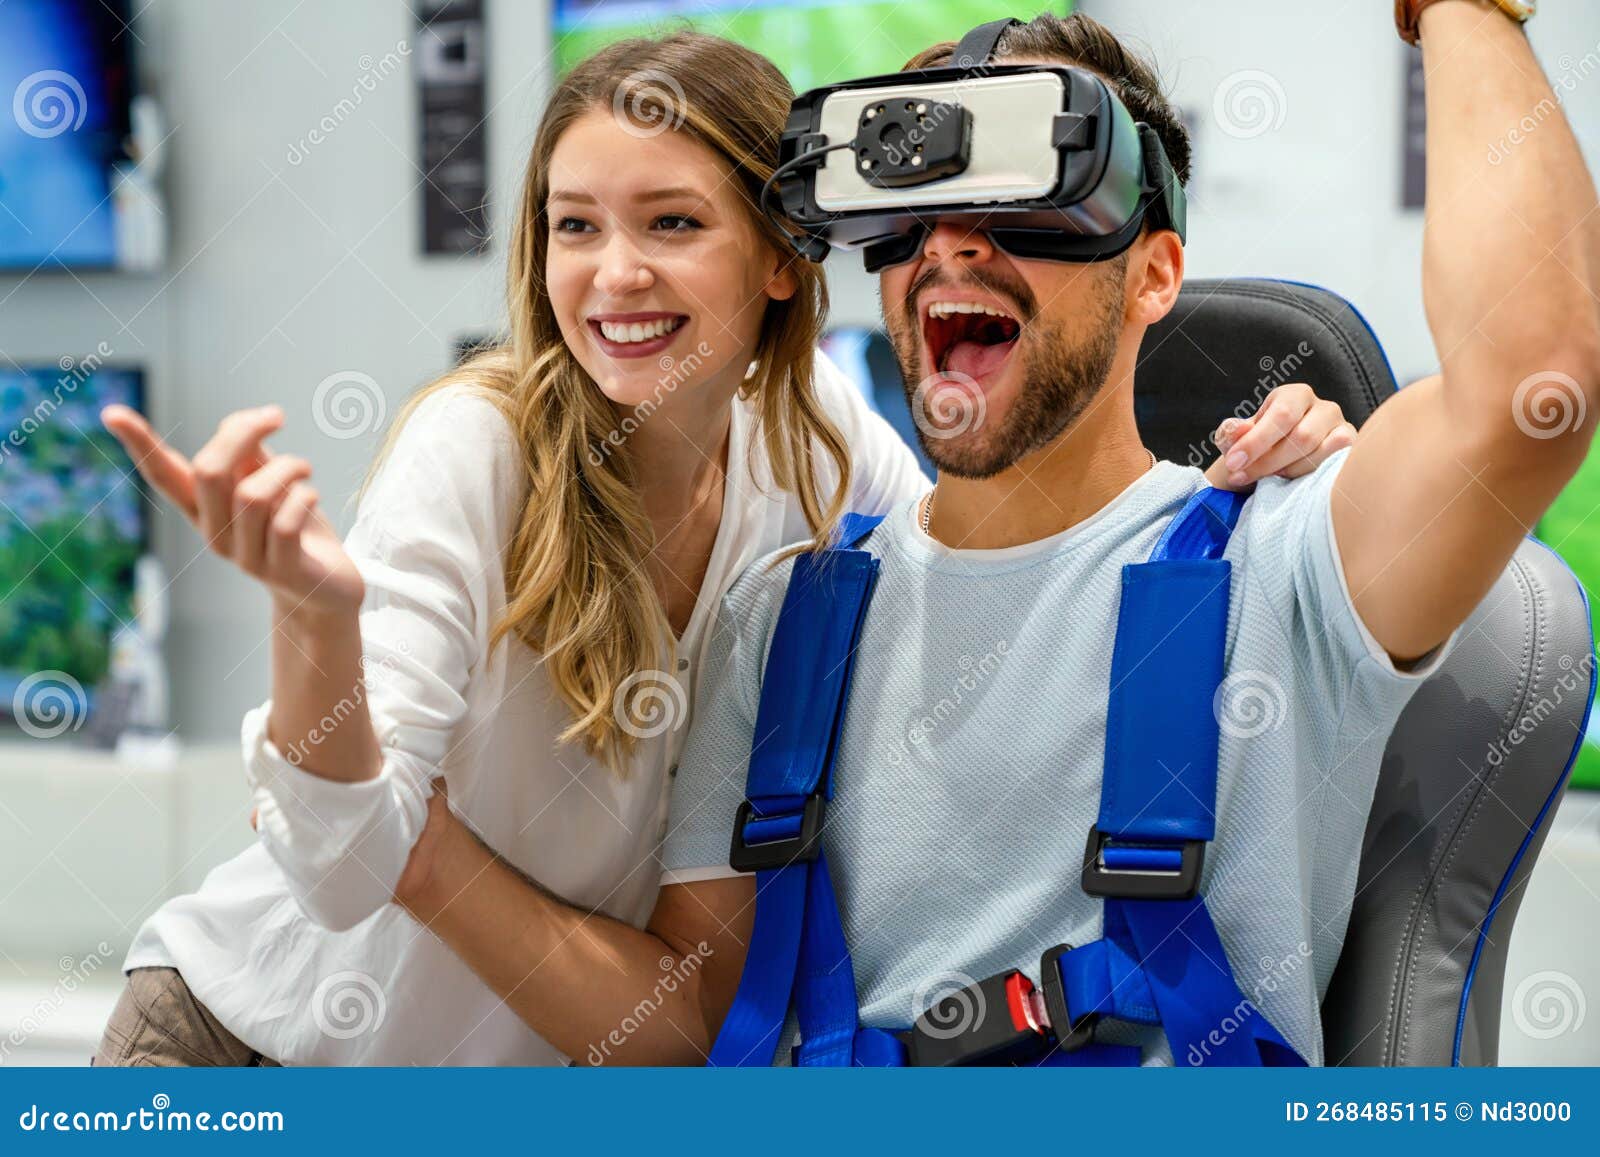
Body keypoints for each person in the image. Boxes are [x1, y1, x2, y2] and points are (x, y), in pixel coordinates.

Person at [91, 29, 1343, 1067]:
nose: (612, 275)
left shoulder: (824, 456)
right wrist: (313, 619)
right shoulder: (477, 449)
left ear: (784, 260)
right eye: (573, 226)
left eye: (671, 222)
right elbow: (340, 866)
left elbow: (993, 552)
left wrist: (1291, 439)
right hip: (246, 1047)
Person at [385, 3, 1600, 1067]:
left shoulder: (1285, 565)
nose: (950, 249)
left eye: (1022, 208)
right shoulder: (787, 622)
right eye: (908, 220)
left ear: (1155, 272)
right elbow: (695, 1013)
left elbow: (1534, 381)